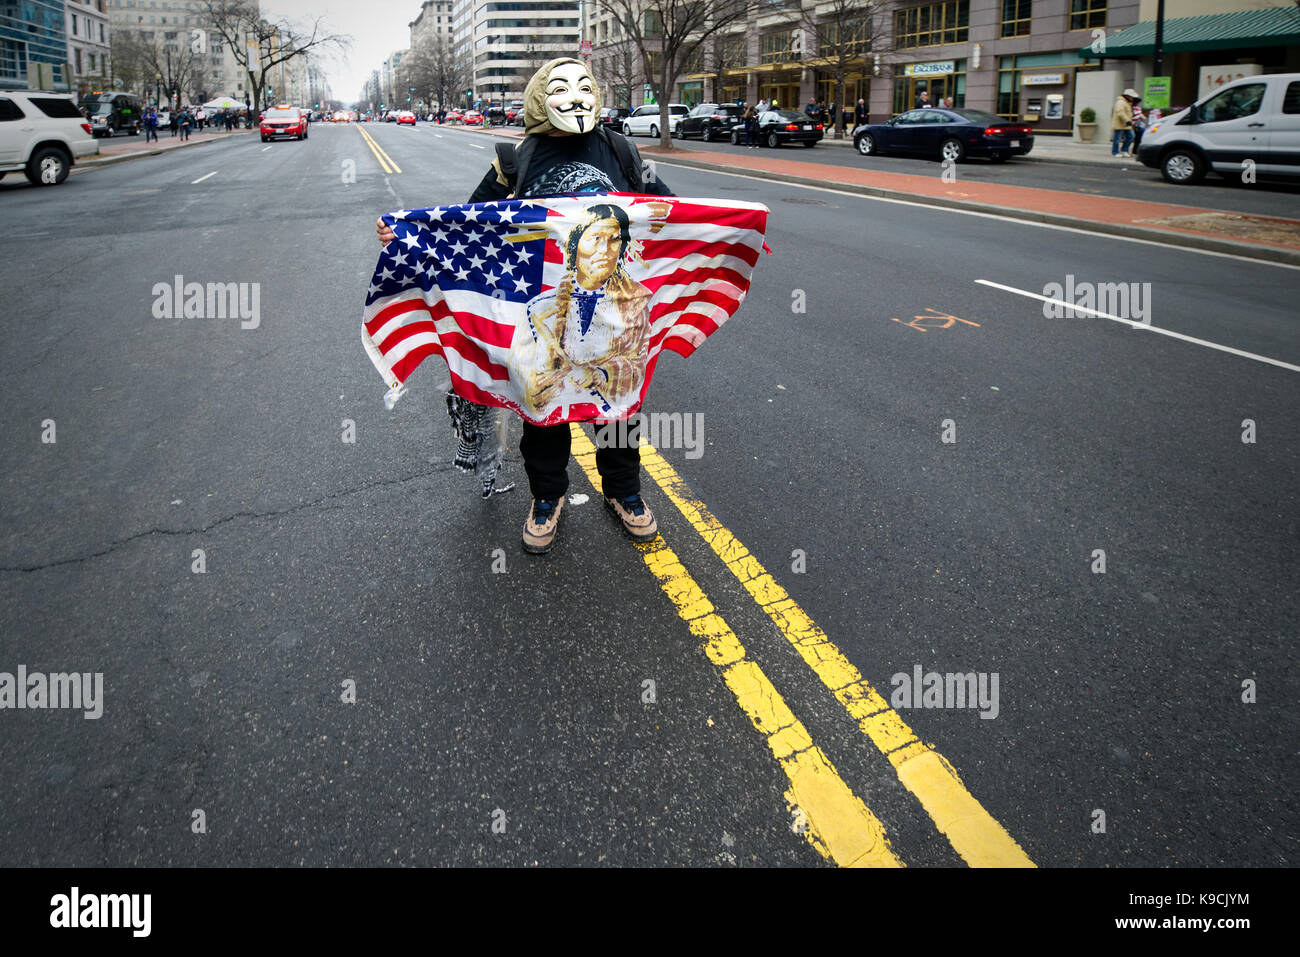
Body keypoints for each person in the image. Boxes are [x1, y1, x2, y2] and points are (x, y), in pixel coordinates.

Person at [375, 57, 675, 555]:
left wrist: (722, 226)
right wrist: (404, 233)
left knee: (618, 406)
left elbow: (670, 211)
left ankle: (624, 492)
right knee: (544, 409)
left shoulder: (620, 148)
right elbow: (467, 223)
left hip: (613, 310)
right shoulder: (517, 159)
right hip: (541, 308)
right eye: (561, 88)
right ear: (541, 97)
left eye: (584, 86)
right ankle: (546, 497)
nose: (575, 96)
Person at [1111, 88, 1137, 157]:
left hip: (1126, 124)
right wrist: (1127, 120)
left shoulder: (1127, 103)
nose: (1133, 98)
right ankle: (1115, 152)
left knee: (1131, 136)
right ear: (1127, 96)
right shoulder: (1121, 102)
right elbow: (1120, 112)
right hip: (1120, 123)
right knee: (1117, 139)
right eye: (1132, 97)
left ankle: (1124, 150)